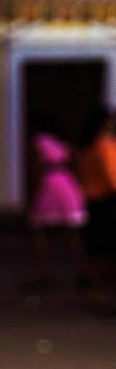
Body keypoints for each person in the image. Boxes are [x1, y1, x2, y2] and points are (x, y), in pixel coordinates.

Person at [26, 114, 86, 288]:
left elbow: (36, 167)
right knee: (72, 233)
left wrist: (34, 190)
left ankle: (44, 273)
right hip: (66, 183)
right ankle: (81, 270)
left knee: (39, 232)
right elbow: (77, 161)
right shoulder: (63, 143)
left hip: (49, 184)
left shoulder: (39, 141)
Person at [77, 107, 116, 305]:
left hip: (91, 200)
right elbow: (112, 177)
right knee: (107, 249)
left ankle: (97, 290)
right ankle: (105, 292)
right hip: (107, 201)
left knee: (97, 248)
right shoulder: (104, 145)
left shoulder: (87, 146)